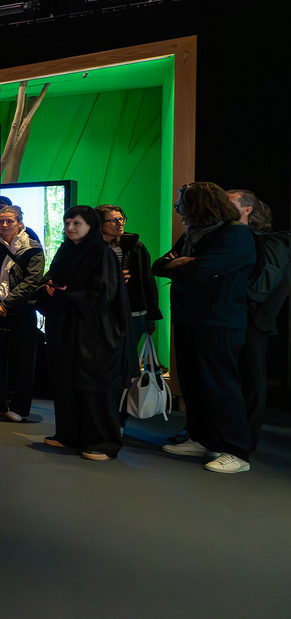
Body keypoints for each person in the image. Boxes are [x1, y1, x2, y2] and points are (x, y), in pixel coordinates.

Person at [155, 182, 257, 473]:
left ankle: (236, 451)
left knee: (220, 386)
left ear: (199, 206)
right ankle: (201, 438)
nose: (178, 211)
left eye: (181, 206)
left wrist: (183, 264)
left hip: (219, 323)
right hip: (189, 319)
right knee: (193, 383)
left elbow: (200, 272)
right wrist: (183, 262)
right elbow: (159, 265)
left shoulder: (237, 234)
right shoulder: (192, 234)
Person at [35, 205, 131, 461]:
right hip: (66, 328)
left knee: (92, 386)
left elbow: (104, 295)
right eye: (67, 223)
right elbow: (51, 279)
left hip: (94, 334)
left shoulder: (102, 253)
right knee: (66, 383)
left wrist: (65, 294)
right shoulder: (67, 250)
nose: (70, 229)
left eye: (77, 223)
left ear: (91, 226)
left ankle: (103, 443)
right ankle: (69, 435)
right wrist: (49, 289)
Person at [226, 189, 290, 450]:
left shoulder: (269, 242)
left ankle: (242, 445)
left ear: (247, 210)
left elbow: (262, 288)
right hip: (239, 318)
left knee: (250, 380)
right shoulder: (242, 238)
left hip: (252, 320)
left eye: (227, 202)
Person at [97, 204, 163, 427]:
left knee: (125, 368)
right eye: (113, 220)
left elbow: (147, 281)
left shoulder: (135, 246)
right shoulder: (92, 248)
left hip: (134, 313)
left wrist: (151, 315)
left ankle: (119, 421)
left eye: (121, 218)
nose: (120, 223)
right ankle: (103, 417)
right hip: (102, 314)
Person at [0, 204, 46, 423]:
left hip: (22, 310)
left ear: (20, 222)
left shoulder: (32, 247)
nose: (5, 225)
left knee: (23, 361)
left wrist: (7, 303)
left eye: (9, 221)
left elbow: (32, 281)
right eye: (1, 221)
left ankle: (19, 408)